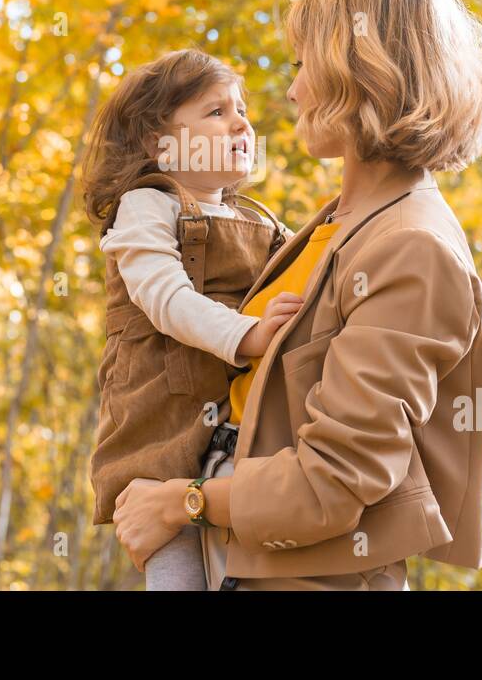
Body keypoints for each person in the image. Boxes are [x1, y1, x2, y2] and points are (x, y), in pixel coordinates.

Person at [113, 0, 482, 590]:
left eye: (301, 66)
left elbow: (339, 478)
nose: (292, 91)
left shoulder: (413, 248)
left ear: (361, 72)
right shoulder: (330, 228)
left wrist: (182, 502)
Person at [83, 49, 300, 589]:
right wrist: (247, 333)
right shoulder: (146, 207)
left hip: (234, 428)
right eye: (216, 111)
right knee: (176, 563)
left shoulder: (260, 222)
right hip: (161, 421)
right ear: (162, 143)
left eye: (242, 109)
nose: (242, 122)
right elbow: (166, 299)